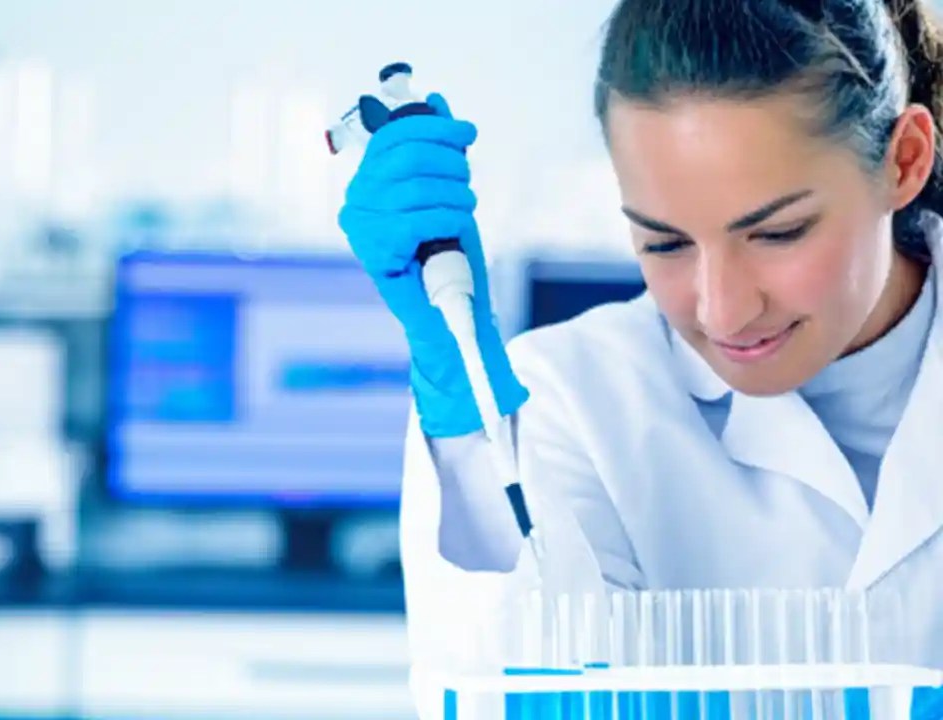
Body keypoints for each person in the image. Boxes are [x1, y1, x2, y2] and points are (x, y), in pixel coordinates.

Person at [338, 0, 943, 715]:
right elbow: (516, 688)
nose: (721, 310)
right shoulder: (573, 402)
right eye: (664, 244)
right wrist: (462, 403)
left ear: (903, 161)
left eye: (778, 233)